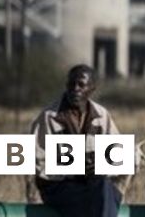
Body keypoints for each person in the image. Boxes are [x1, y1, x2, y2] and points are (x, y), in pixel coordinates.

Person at [29, 65, 127, 217]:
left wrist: (101, 167)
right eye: (71, 84)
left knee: (105, 189)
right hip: (58, 188)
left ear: (92, 89)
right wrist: (75, 168)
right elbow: (38, 163)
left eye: (81, 85)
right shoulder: (49, 117)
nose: (75, 89)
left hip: (92, 186)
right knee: (102, 199)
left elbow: (118, 158)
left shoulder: (102, 116)